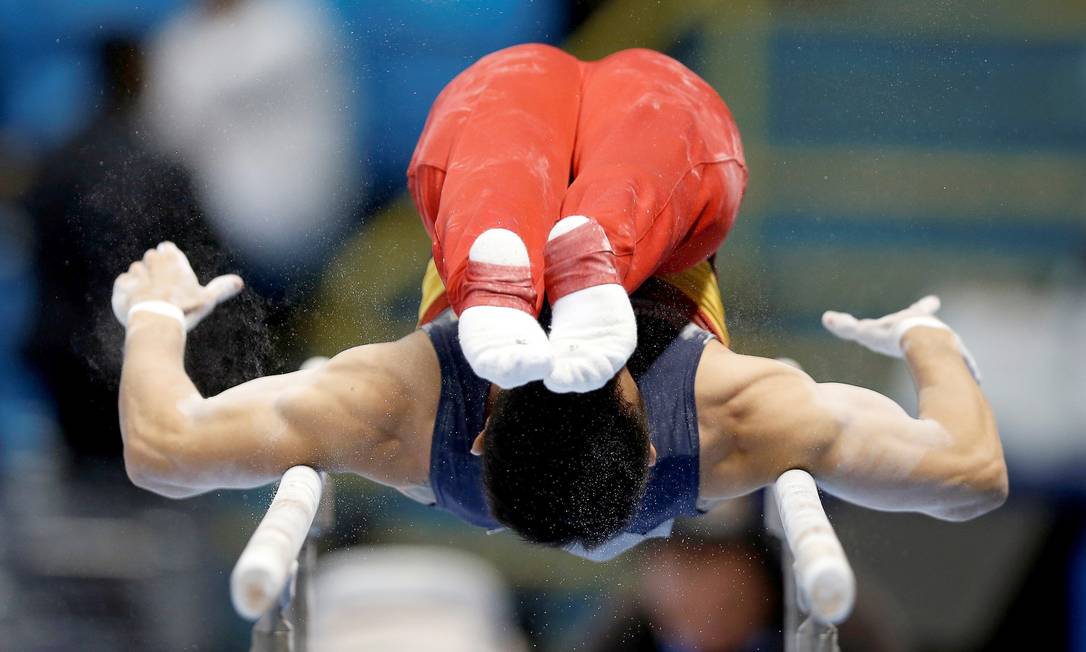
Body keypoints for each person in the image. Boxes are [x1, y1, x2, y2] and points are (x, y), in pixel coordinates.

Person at [112, 45, 1007, 561]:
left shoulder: (736, 423)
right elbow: (165, 452)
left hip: (638, 146)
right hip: (504, 131)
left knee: (656, 166)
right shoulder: (399, 420)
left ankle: (592, 255)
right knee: (495, 173)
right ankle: (516, 269)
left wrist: (928, 340)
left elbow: (969, 476)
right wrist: (154, 315)